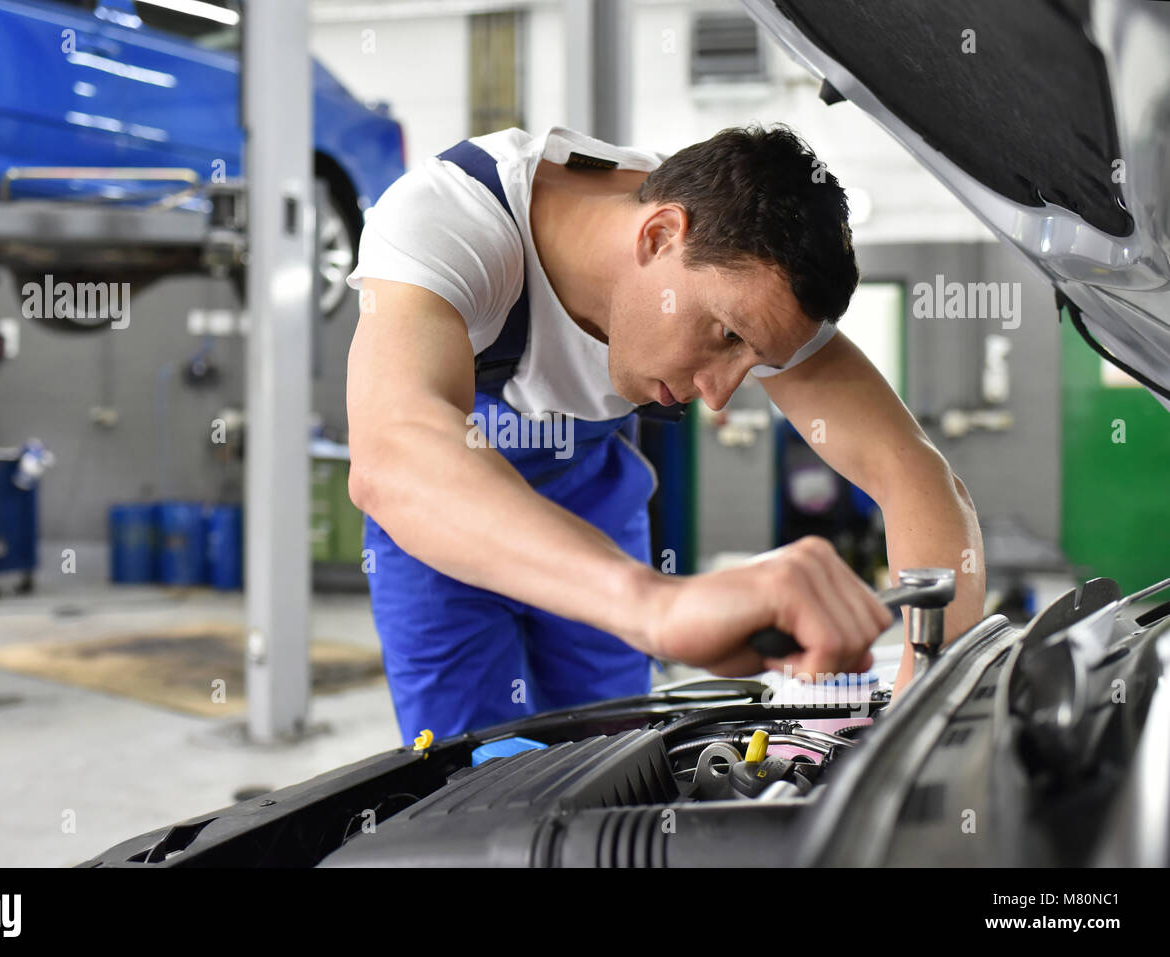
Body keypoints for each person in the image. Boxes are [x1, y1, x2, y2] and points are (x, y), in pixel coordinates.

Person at [345, 124, 984, 744]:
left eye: (755, 362)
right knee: (467, 773)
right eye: (728, 337)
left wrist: (926, 697)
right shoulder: (452, 218)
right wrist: (655, 605)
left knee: (611, 753)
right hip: (440, 511)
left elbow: (915, 474)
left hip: (594, 504)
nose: (718, 394)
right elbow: (395, 454)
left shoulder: (751, 277)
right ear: (658, 236)